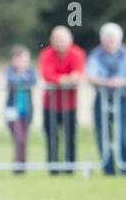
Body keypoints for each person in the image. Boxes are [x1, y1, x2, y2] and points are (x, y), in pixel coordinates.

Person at [39, 25, 85, 174]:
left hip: (70, 105)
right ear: (52, 40)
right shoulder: (46, 54)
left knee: (70, 138)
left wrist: (59, 80)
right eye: (56, 39)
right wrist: (65, 79)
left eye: (62, 39)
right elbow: (47, 75)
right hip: (50, 105)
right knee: (52, 138)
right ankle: (53, 170)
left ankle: (70, 169)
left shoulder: (77, 53)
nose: (59, 42)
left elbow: (77, 76)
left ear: (70, 39)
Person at [86, 22, 126, 175]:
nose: (110, 42)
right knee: (103, 135)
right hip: (102, 99)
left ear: (119, 39)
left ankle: (124, 167)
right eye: (107, 39)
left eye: (113, 39)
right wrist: (107, 83)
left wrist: (120, 82)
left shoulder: (124, 54)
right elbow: (91, 76)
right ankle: (108, 170)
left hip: (122, 100)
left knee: (123, 135)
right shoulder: (96, 55)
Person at [4, 46, 37, 173]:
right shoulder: (10, 71)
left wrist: (21, 80)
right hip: (12, 111)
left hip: (26, 111)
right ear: (14, 60)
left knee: (23, 139)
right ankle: (18, 165)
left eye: (25, 60)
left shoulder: (31, 71)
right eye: (19, 59)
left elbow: (32, 81)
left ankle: (21, 166)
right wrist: (23, 80)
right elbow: (12, 80)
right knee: (18, 138)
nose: (22, 63)